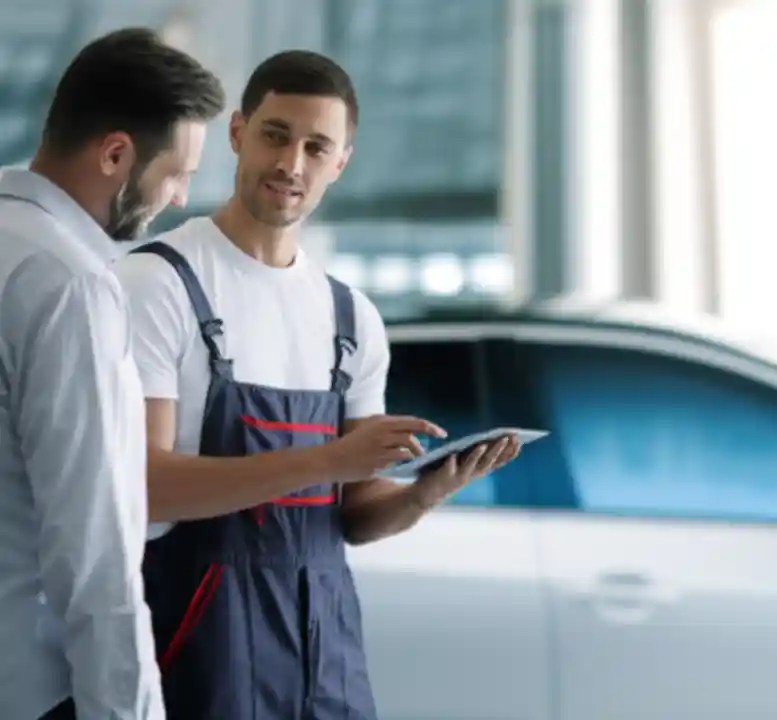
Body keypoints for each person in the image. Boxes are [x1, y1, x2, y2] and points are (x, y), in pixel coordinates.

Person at [114, 49, 519, 719]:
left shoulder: (350, 317)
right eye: (275, 135)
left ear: (341, 162)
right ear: (238, 133)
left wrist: (422, 495)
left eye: (316, 146)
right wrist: (328, 458)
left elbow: (352, 517)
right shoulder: (158, 285)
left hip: (324, 654)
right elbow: (146, 487)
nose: (291, 163)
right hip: (197, 648)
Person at [0, 27, 224, 720]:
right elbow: (93, 545)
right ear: (116, 154)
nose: (181, 196)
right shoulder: (69, 284)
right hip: (31, 687)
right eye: (176, 172)